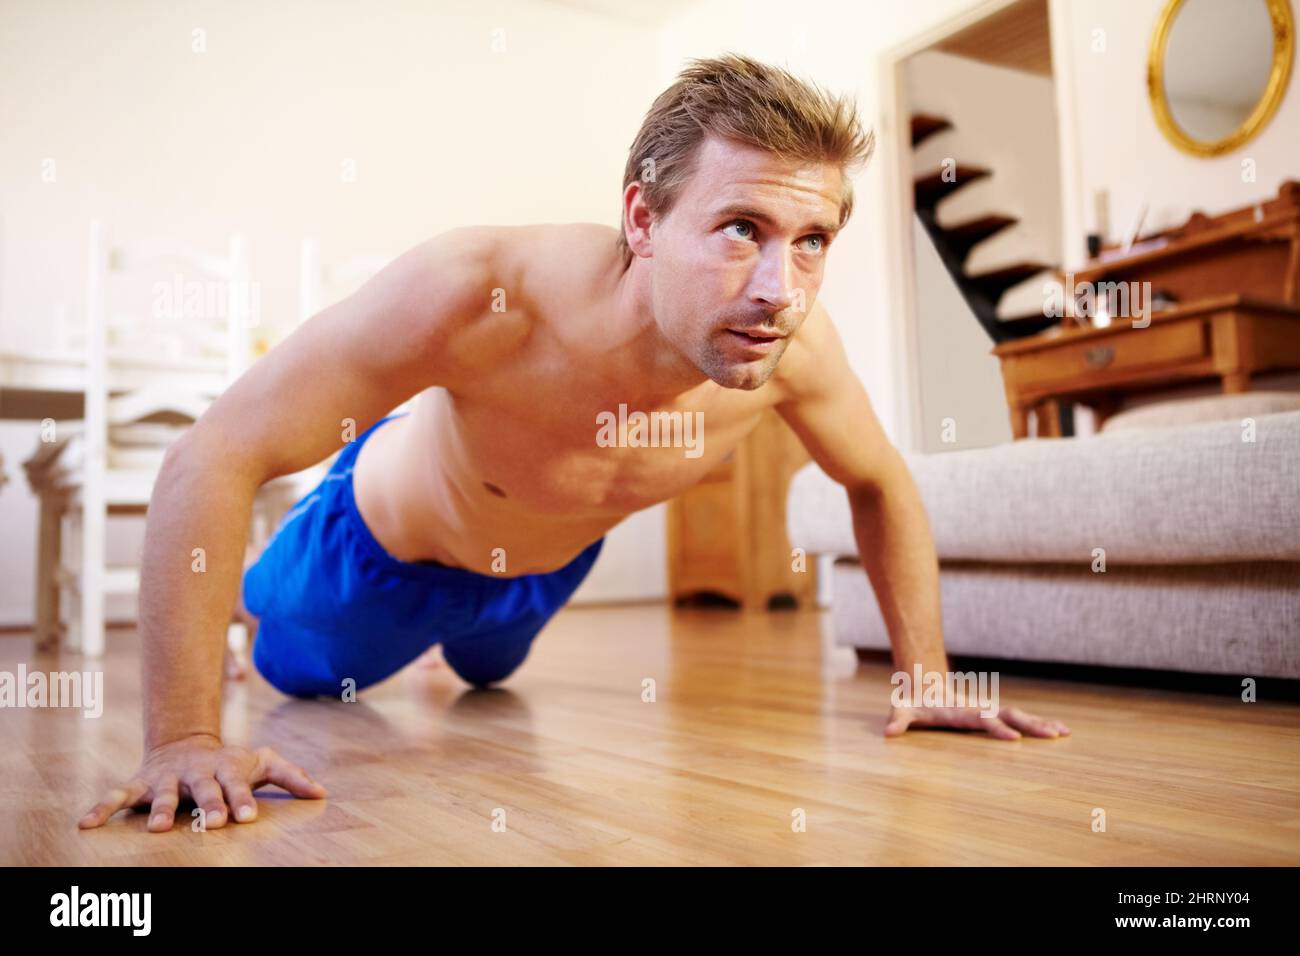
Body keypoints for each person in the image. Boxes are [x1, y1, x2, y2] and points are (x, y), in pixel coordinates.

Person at [79, 54, 1069, 835]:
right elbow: (209, 454)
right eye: (740, 228)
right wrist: (183, 734)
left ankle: (460, 640)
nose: (783, 288)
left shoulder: (796, 350)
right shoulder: (480, 292)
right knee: (298, 675)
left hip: (544, 569)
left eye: (811, 239)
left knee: (487, 677)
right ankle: (264, 600)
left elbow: (880, 480)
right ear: (642, 216)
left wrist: (925, 675)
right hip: (379, 553)